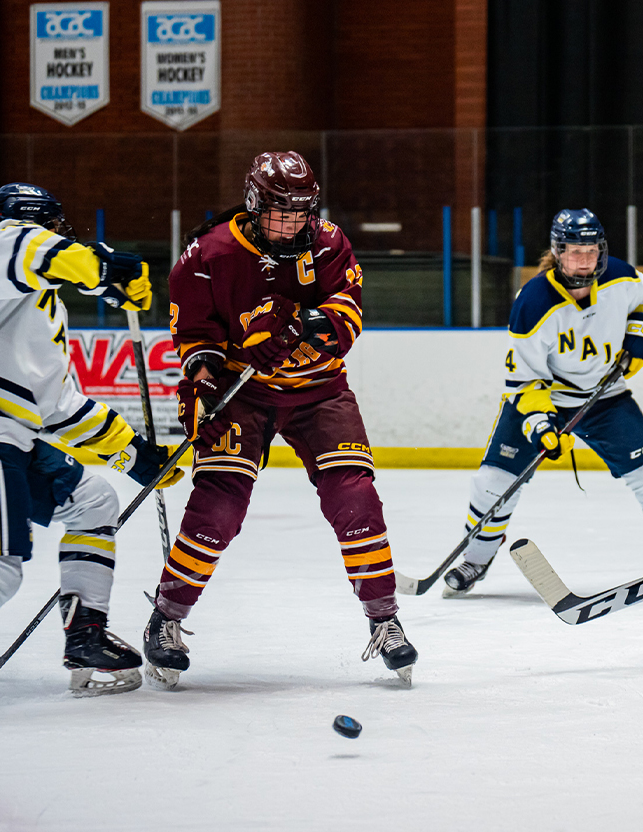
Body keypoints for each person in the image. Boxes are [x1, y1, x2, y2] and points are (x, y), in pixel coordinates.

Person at [146, 151, 417, 688]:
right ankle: (165, 619)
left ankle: (385, 621)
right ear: (254, 205)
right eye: (280, 213)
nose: (292, 224)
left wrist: (303, 322)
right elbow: (195, 337)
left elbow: (349, 310)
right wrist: (201, 378)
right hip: (241, 395)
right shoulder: (208, 254)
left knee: (355, 498)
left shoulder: (329, 242)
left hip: (320, 392)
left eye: (301, 213)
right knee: (216, 510)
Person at [0, 182, 180, 705]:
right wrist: (103, 271)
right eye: (58, 229)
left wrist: (135, 455)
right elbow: (33, 248)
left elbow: (58, 408)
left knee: (93, 500)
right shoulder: (2, 251)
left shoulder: (37, 311)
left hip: (8, 434)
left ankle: (85, 635)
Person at [441, 209, 643, 597]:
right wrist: (542, 426)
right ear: (557, 253)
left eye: (591, 251)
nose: (584, 260)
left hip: (605, 398)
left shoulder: (621, 277)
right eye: (575, 252)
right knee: (493, 483)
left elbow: (642, 302)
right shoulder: (533, 302)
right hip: (545, 399)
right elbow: (525, 381)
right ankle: (475, 561)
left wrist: (641, 335)